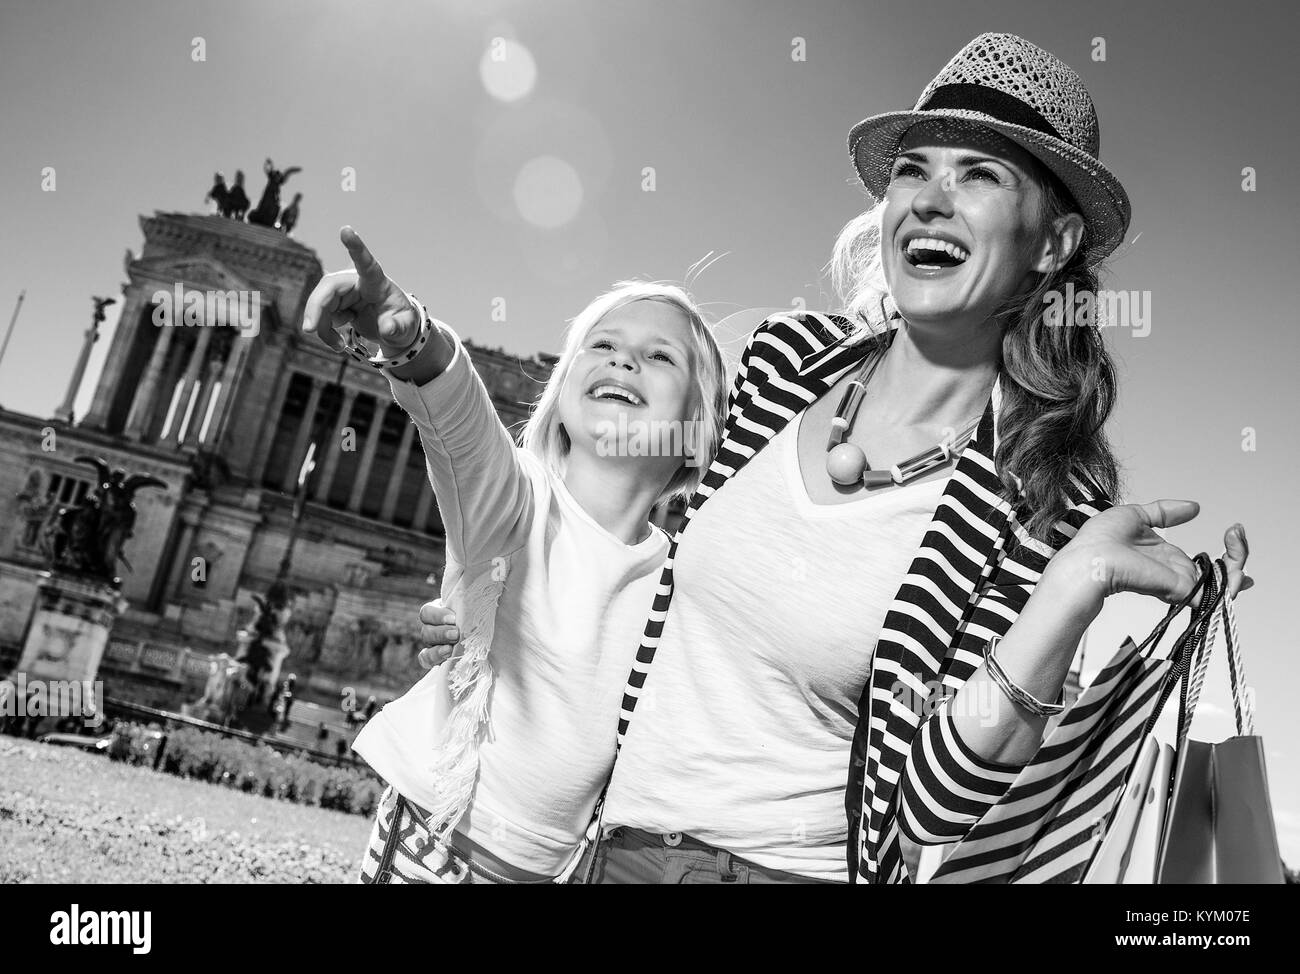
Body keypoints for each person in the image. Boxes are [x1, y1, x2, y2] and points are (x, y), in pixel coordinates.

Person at [418, 32, 1252, 884]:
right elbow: (610, 512)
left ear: (1053, 243)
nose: (930, 200)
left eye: (979, 175)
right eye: (913, 170)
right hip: (615, 851)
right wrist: (507, 600)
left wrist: (1073, 590)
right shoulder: (777, 364)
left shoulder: (1042, 497)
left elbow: (935, 801)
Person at [301, 228, 726, 883]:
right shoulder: (515, 499)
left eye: (660, 357)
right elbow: (460, 422)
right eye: (603, 345)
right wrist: (412, 337)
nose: (624, 361)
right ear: (560, 397)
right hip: (436, 847)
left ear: (698, 436)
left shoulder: (684, 580)